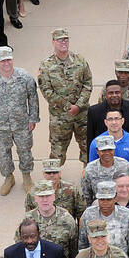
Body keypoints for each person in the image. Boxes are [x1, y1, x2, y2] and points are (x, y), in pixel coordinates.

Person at [0, 45, 40, 197]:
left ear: (12, 59)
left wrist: (33, 118)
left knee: (25, 151)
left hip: (22, 123)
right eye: (2, 61)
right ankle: (8, 178)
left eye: (8, 60)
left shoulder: (24, 76)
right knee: (3, 153)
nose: (6, 63)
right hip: (0, 126)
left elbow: (33, 98)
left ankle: (26, 177)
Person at [37, 28, 93, 166]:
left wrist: (78, 105)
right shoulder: (46, 66)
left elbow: (88, 83)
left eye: (66, 39)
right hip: (60, 117)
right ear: (53, 42)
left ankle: (88, 175)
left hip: (82, 114)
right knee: (57, 150)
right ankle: (54, 179)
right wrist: (68, 107)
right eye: (60, 39)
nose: (64, 42)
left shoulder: (80, 60)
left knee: (88, 146)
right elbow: (46, 91)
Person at [86, 81, 129, 177]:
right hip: (105, 162)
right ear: (105, 95)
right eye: (110, 93)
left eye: (117, 92)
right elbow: (90, 138)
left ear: (122, 93)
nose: (114, 95)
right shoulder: (94, 111)